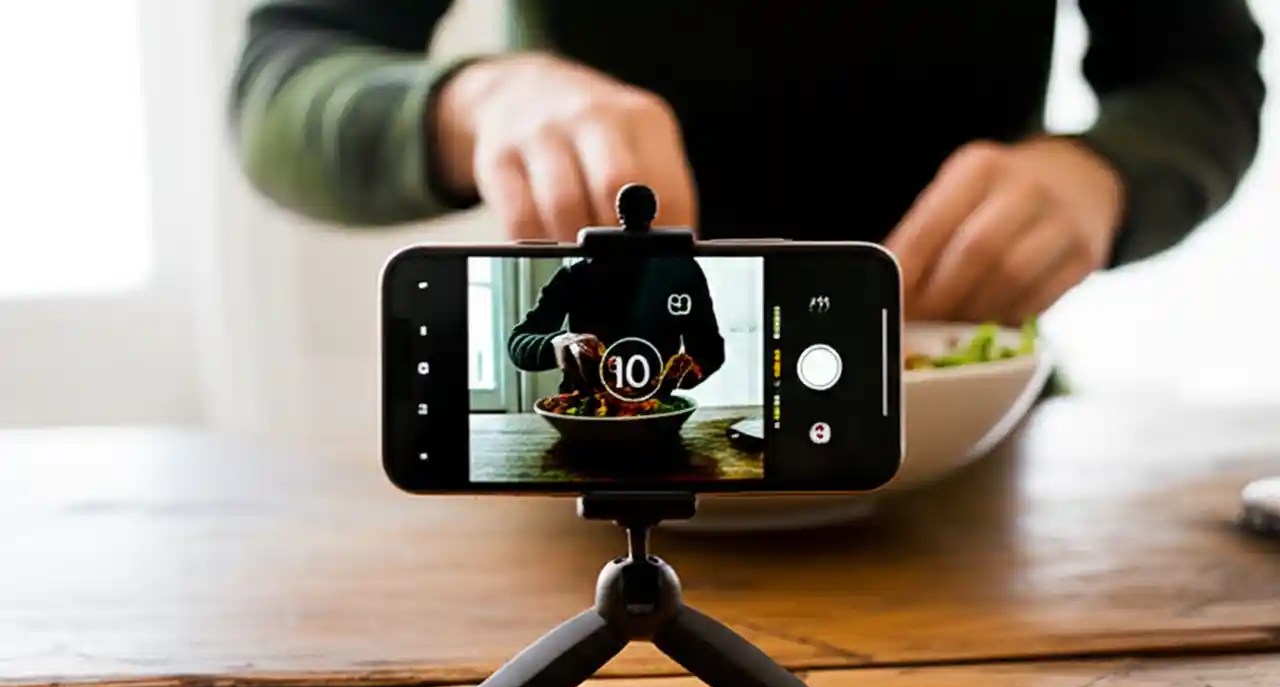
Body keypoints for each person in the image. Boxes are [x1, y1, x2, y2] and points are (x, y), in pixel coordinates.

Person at [229, 2, 1264, 327]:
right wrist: (472, 104)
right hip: (593, 447)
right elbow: (285, 72)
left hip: (962, 450)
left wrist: (1104, 173)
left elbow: (1200, 71)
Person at [508, 256, 725, 394]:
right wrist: (557, 344)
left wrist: (687, 373)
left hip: (656, 415)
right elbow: (517, 342)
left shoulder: (682, 272)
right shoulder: (575, 275)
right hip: (584, 415)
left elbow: (710, 351)